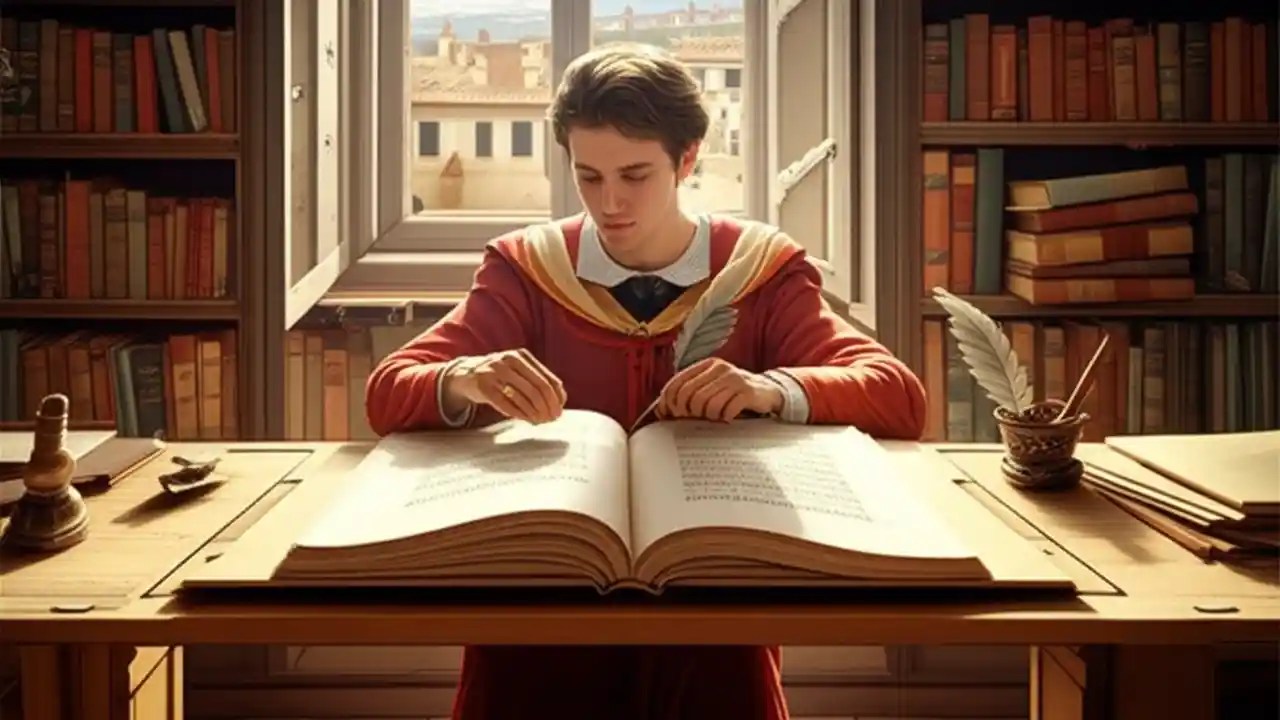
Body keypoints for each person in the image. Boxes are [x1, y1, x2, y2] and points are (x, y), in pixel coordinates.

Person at [365, 42, 926, 720]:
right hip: (539, 622)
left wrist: (769, 389)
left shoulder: (760, 270)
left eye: (635, 174)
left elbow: (897, 394)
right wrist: (467, 377)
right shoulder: (525, 268)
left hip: (712, 625)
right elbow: (390, 387)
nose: (611, 202)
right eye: (589, 176)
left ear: (687, 160)